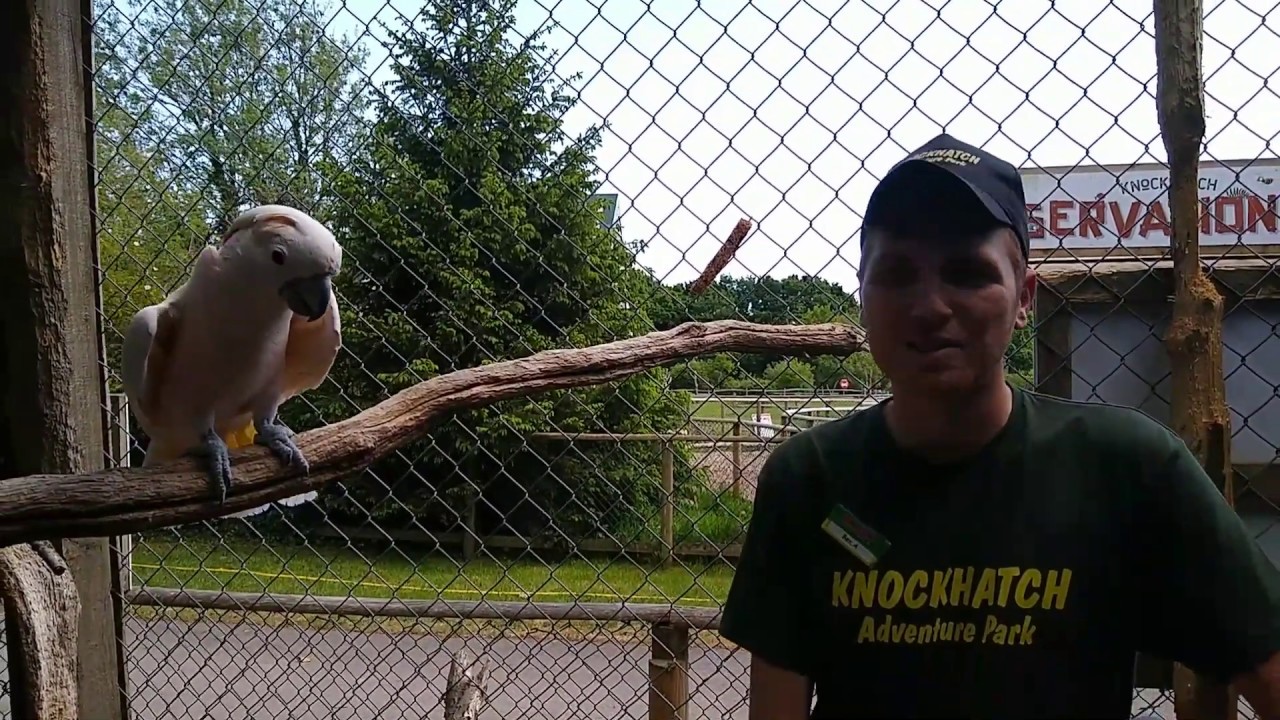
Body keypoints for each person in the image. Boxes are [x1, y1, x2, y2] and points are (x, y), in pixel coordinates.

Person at [718, 133, 1280, 719]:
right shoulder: (808, 480)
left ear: (1023, 299)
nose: (931, 306)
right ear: (861, 294)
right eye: (897, 273)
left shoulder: (1129, 467)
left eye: (967, 273)